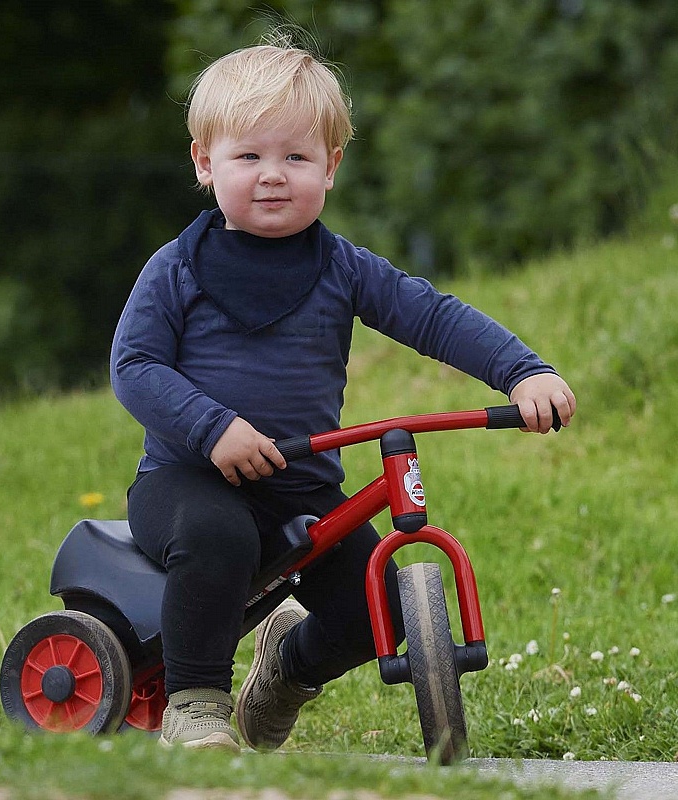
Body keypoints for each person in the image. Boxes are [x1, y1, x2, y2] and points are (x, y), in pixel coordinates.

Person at [110, 39, 576, 753]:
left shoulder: (343, 268)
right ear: (206, 162)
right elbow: (135, 365)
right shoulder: (176, 268)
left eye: (296, 158)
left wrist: (524, 372)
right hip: (188, 480)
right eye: (249, 157)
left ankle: (286, 669)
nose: (273, 176)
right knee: (216, 535)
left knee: (373, 610)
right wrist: (212, 429)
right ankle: (196, 703)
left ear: (330, 168)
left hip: (303, 485)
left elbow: (433, 316)